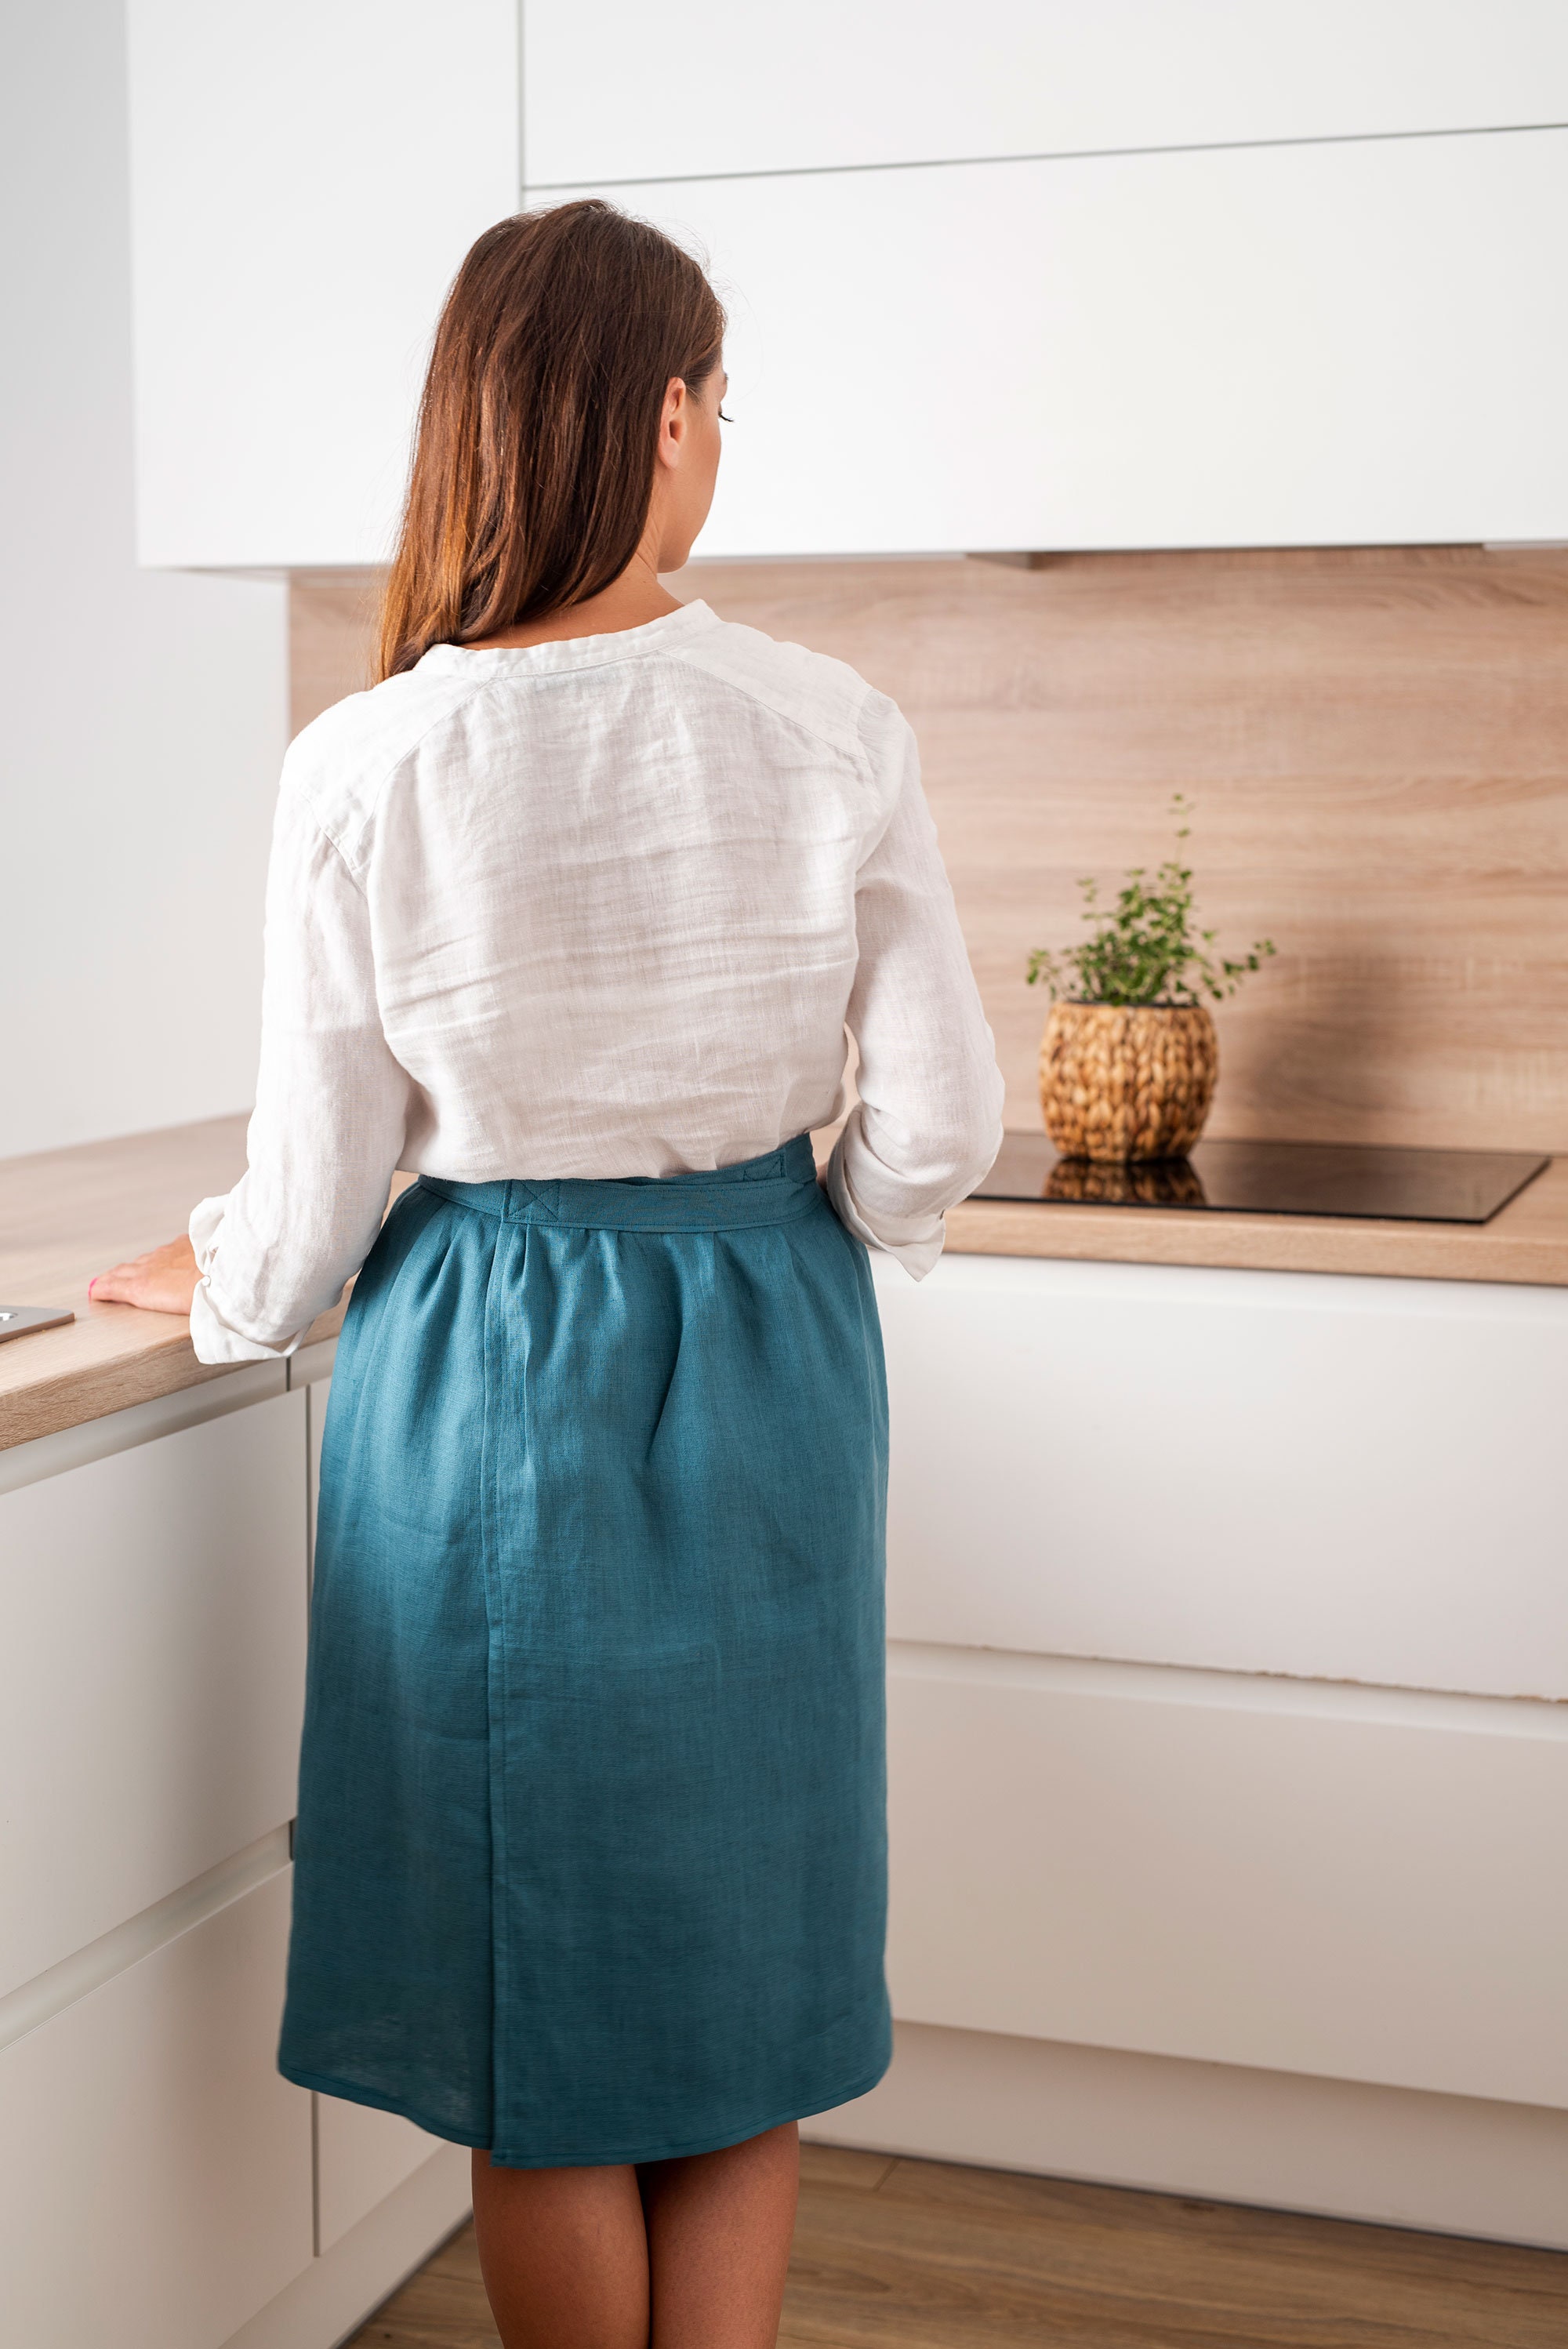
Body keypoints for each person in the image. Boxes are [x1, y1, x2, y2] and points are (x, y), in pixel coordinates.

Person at [91, 198, 1004, 2349]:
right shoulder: (831, 724)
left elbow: (310, 1203)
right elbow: (942, 1120)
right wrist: (825, 1229)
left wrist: (208, 1288)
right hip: (772, 1347)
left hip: (489, 1370)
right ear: (674, 411)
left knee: (546, 2002)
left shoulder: (364, 760)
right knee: (739, 1968)